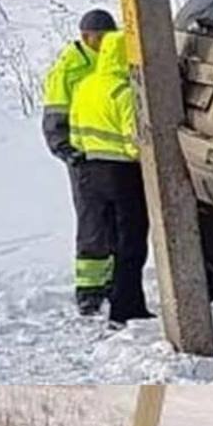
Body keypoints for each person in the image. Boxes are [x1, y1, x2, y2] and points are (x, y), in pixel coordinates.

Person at [69, 31, 153, 328]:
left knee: (106, 237)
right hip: (124, 175)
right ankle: (126, 305)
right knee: (132, 242)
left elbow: (75, 135)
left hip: (91, 173)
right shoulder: (124, 92)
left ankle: (112, 298)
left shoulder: (84, 87)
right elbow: (136, 141)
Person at [42, 9, 118, 315]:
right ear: (85, 36)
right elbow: (54, 116)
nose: (103, 43)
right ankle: (89, 289)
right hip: (85, 159)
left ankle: (114, 281)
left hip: (118, 154)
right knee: (92, 223)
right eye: (98, 38)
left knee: (117, 221)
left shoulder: (115, 57)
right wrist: (66, 150)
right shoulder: (69, 69)